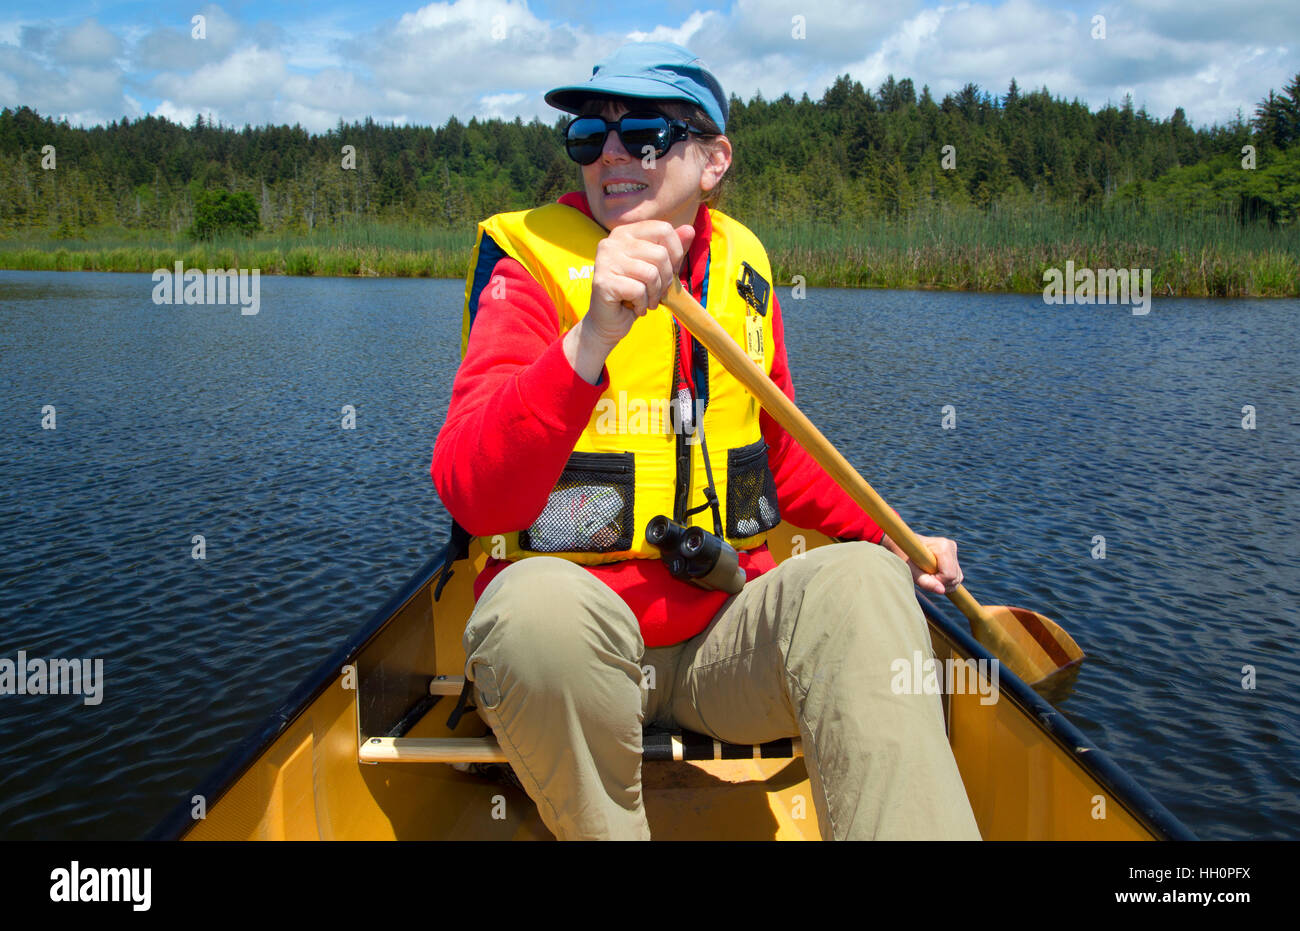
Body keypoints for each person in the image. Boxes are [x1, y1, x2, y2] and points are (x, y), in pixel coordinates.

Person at [431, 41, 981, 841]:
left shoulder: (746, 266)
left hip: (720, 641)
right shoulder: (528, 266)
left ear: (714, 158)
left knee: (866, 581)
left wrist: (896, 538)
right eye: (591, 134)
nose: (612, 152)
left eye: (645, 131)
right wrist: (592, 337)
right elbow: (472, 492)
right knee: (531, 614)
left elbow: (785, 455)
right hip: (580, 652)